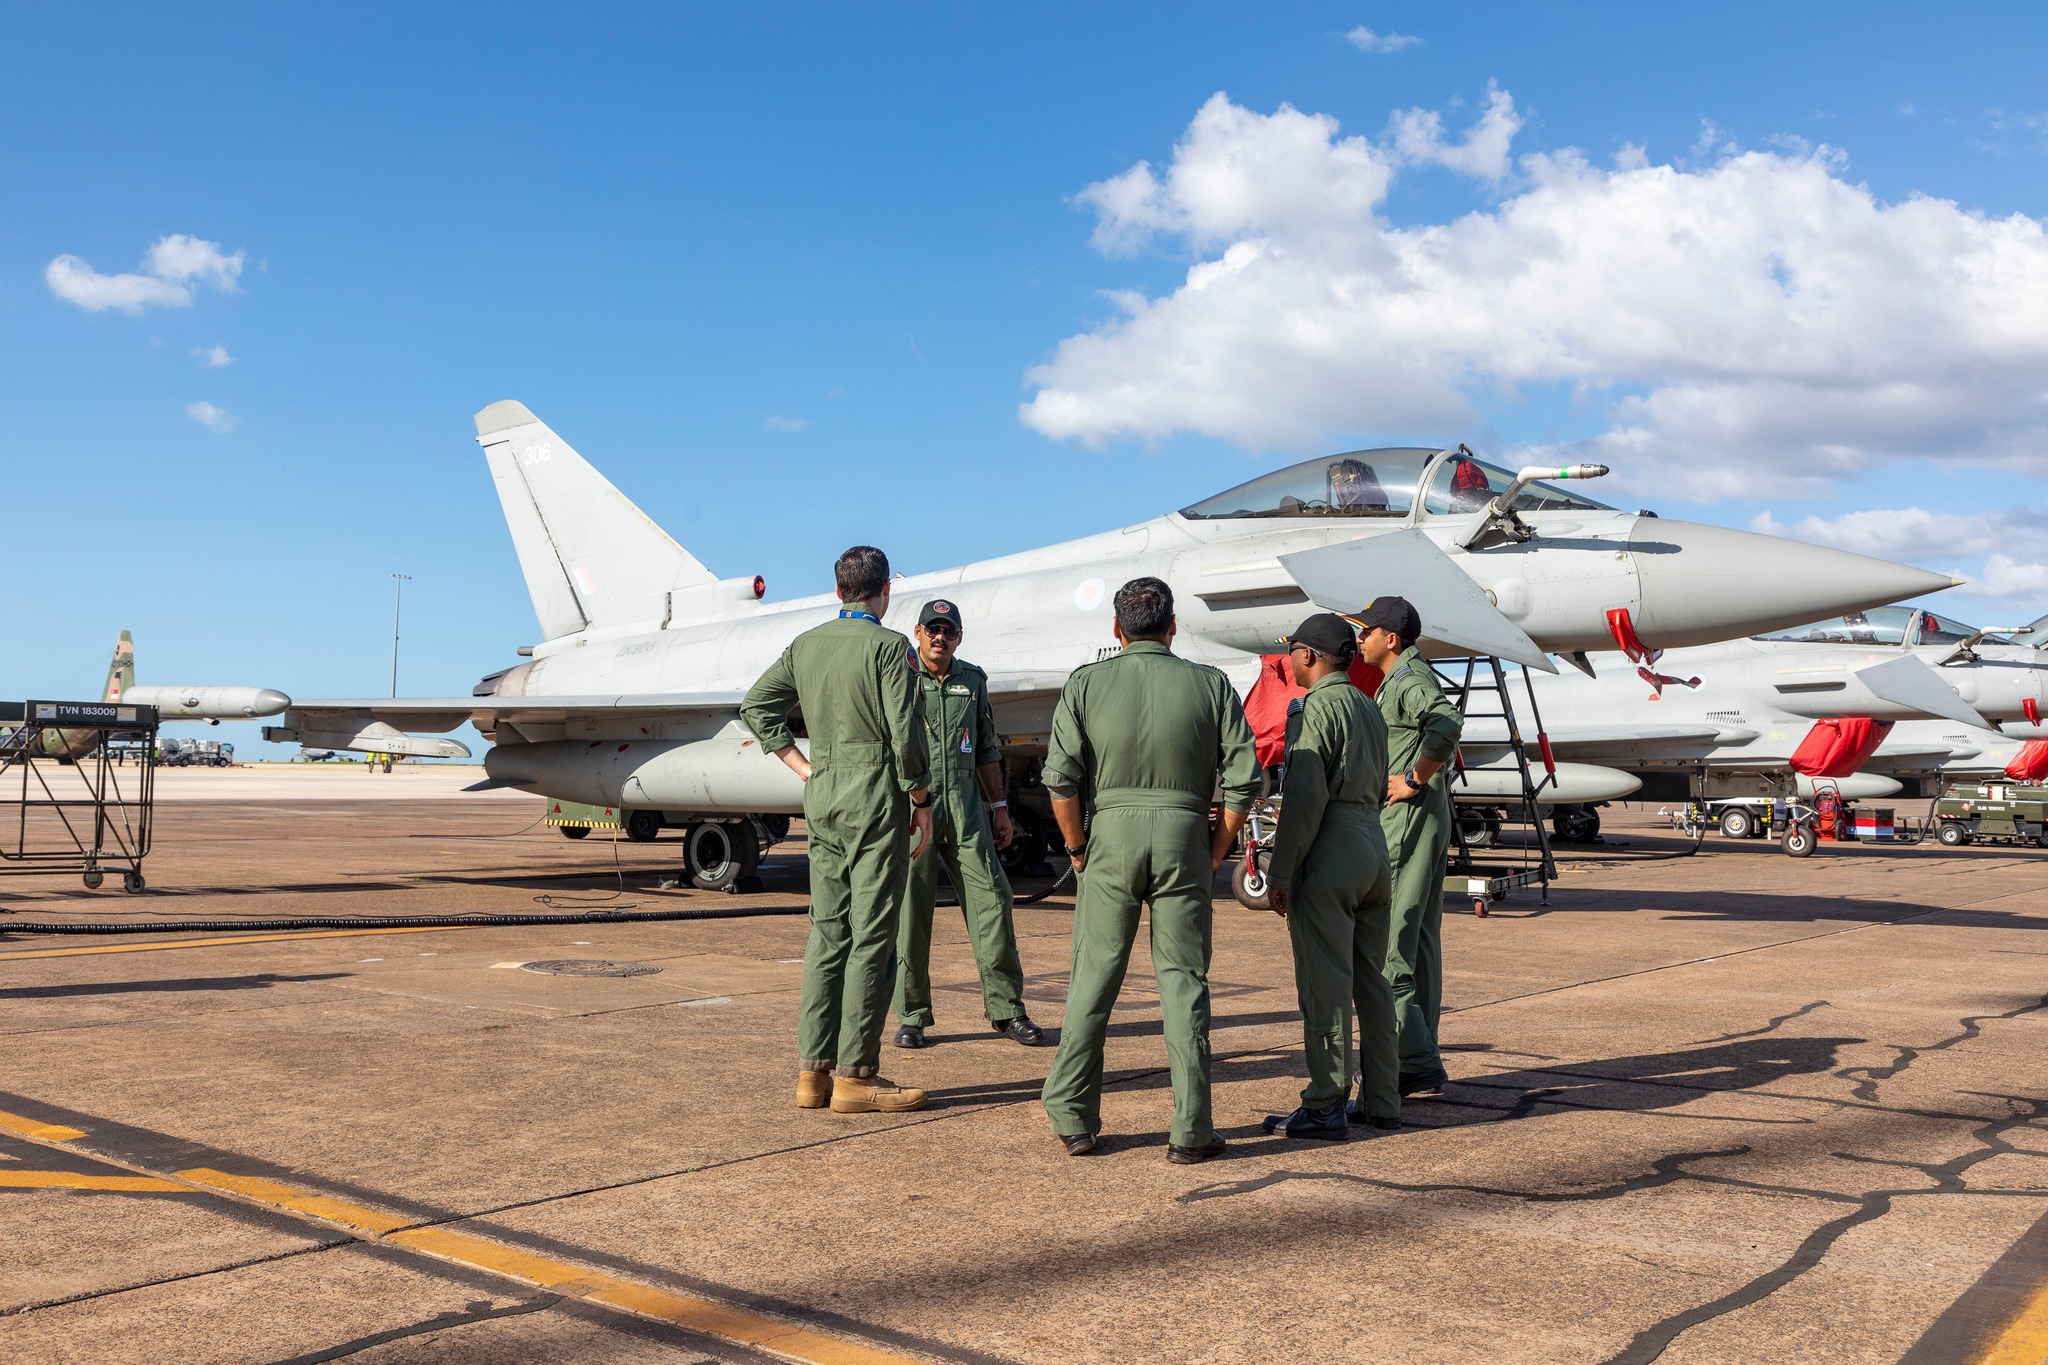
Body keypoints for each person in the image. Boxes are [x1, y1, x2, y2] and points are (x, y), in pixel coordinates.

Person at [1039, 577, 1261, 1163]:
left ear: (1117, 628)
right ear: (1172, 627)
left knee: (1094, 977)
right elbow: (1244, 781)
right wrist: (1215, 849)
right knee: (1184, 982)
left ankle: (1074, 1118)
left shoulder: (1086, 683)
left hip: (1110, 838)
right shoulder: (1209, 684)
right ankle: (1191, 1129)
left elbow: (1060, 779)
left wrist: (1077, 848)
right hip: (1185, 836)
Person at [741, 546, 935, 1115]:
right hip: (874, 795)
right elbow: (906, 734)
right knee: (872, 934)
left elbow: (757, 705)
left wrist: (801, 766)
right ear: (885, 590)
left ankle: (813, 1075)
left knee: (827, 933)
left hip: (823, 793)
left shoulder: (805, 644)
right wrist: (921, 799)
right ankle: (855, 1077)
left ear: (837, 590)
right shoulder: (890, 647)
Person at [1258, 613, 1398, 1141]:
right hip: (1372, 845)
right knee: (1372, 982)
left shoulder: (1313, 708)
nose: (1289, 659)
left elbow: (1304, 796)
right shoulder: (1368, 705)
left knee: (1325, 986)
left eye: (1292, 650)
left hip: (1331, 849)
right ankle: (1382, 1099)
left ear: (1309, 656)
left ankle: (1325, 1104)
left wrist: (1281, 870)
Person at [892, 598, 1045, 1050]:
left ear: (959, 637)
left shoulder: (972, 681)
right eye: (932, 629)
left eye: (949, 631)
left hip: (966, 809)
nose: (940, 637)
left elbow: (985, 748)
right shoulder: (899, 676)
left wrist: (1000, 807)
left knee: (993, 900)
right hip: (914, 807)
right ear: (918, 632)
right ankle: (912, 1016)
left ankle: (1007, 1009)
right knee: (911, 913)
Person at [1353, 596, 1464, 1102]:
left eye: (1367, 631)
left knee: (1390, 940)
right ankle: (1417, 1052)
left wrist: (1415, 779)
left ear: (1390, 639)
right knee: (1419, 943)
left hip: (1407, 817)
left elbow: (1446, 723)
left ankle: (1413, 1061)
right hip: (1424, 816)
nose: (1360, 639)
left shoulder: (1407, 680)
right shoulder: (1404, 676)